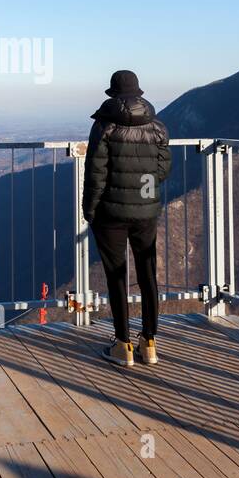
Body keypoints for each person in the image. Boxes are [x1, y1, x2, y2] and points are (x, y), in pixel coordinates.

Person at [81, 70, 171, 366]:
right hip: (146, 211)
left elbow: (96, 173)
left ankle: (123, 345)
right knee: (148, 274)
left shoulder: (104, 125)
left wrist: (90, 209)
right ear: (139, 94)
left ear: (113, 93)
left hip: (111, 213)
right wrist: (141, 189)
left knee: (116, 275)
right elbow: (162, 170)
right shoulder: (157, 127)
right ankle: (150, 342)